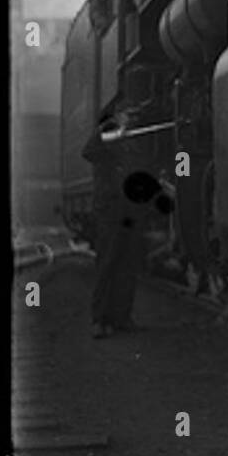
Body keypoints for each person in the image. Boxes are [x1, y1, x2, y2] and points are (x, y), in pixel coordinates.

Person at [84, 127, 150, 339]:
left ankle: (122, 317)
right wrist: (110, 134)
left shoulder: (132, 146)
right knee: (107, 263)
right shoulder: (102, 146)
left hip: (131, 212)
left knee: (128, 264)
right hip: (110, 212)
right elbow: (88, 150)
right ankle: (99, 320)